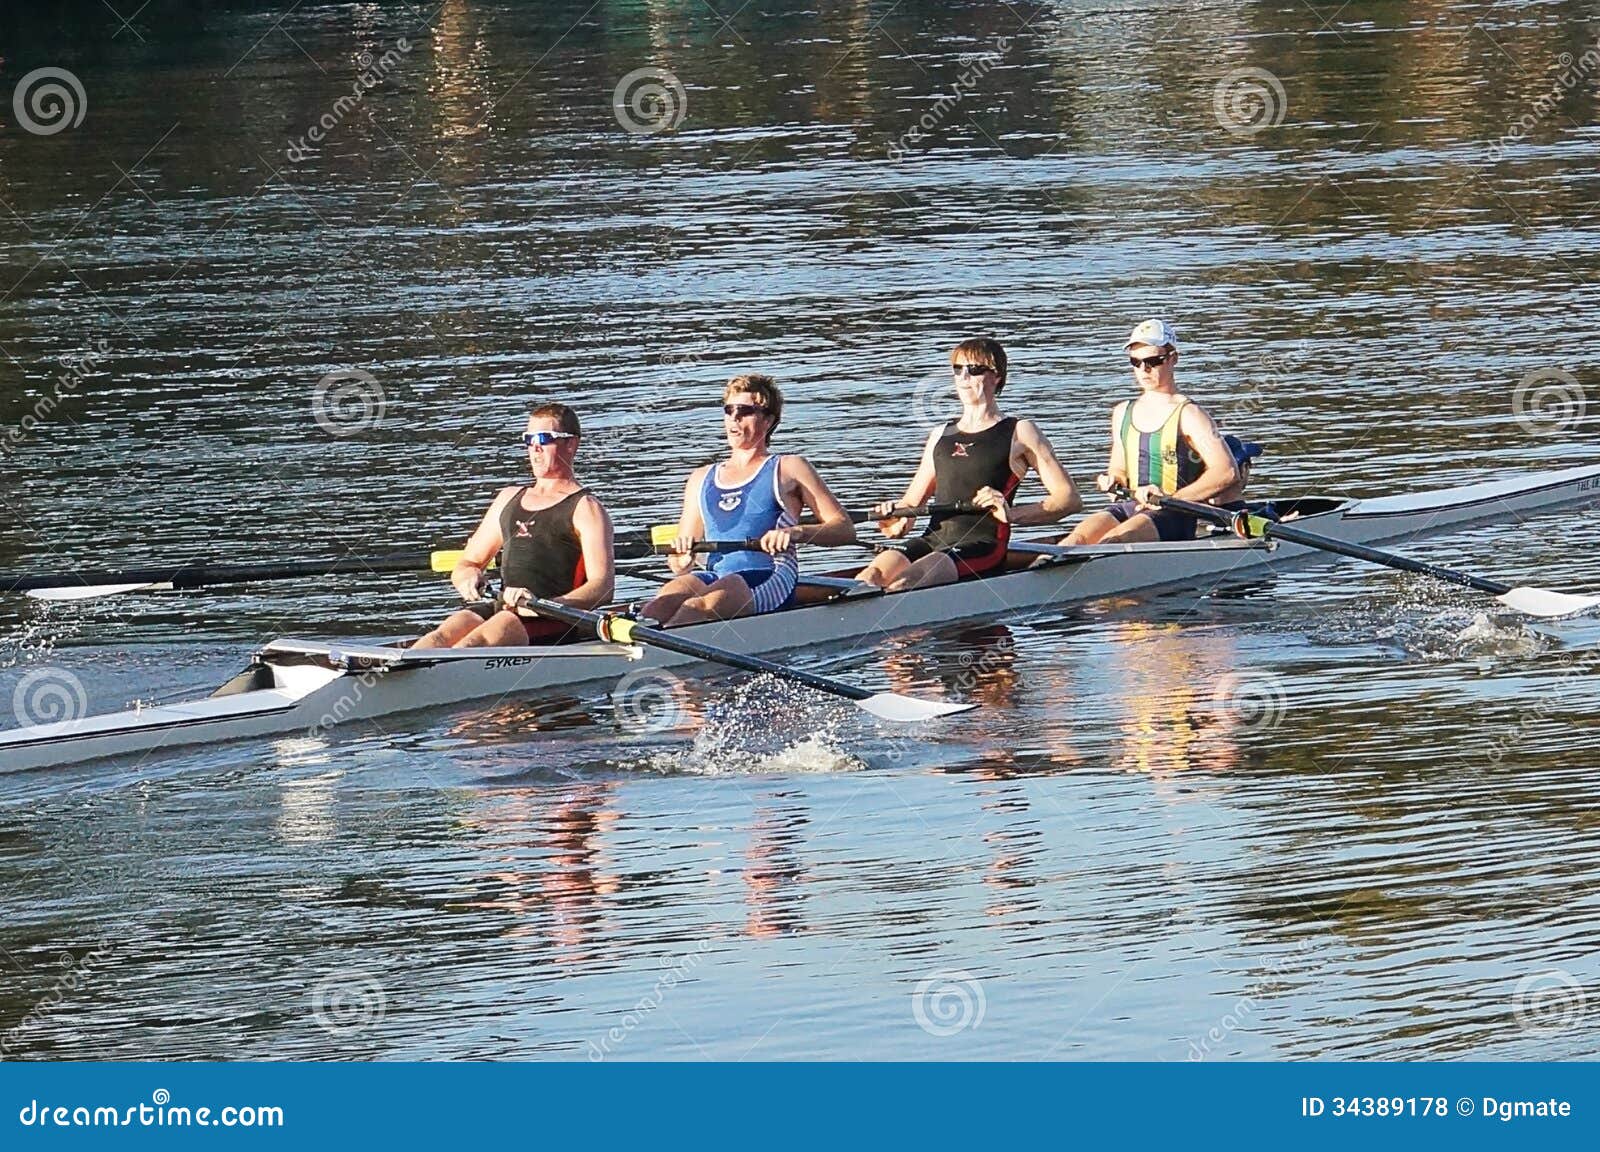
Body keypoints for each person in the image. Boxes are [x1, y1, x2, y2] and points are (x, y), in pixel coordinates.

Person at [854, 337, 1081, 592]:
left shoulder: (1020, 431)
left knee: (909, 579)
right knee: (871, 575)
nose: (964, 376)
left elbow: (1069, 499)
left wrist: (1011, 514)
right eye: (957, 369)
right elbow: (911, 504)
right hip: (933, 540)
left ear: (996, 377)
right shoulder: (940, 434)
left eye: (974, 369)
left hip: (983, 546)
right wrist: (896, 522)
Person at [637, 374, 856, 627]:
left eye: (745, 411)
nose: (734, 418)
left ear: (768, 420)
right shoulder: (700, 478)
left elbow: (844, 529)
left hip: (771, 575)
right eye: (729, 410)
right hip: (716, 575)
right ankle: (643, 638)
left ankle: (665, 642)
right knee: (659, 605)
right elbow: (679, 558)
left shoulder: (789, 468)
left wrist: (797, 532)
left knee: (699, 606)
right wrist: (682, 561)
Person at [414, 403, 614, 648]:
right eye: (528, 439)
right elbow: (468, 562)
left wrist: (546, 604)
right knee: (442, 635)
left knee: (476, 641)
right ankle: (398, 670)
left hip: (553, 618)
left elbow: (602, 588)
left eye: (544, 438)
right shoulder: (508, 498)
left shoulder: (587, 509)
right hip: (506, 607)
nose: (534, 448)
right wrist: (467, 576)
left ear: (571, 444)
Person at [1060, 319, 1239, 545]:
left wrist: (1172, 498)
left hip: (1174, 513)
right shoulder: (1122, 412)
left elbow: (1226, 472)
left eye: (1153, 361)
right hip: (1131, 506)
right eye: (1136, 362)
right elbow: (1119, 468)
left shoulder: (1190, 414)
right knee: (1074, 542)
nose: (1144, 369)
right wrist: (1113, 480)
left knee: (1114, 542)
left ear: (1173, 359)